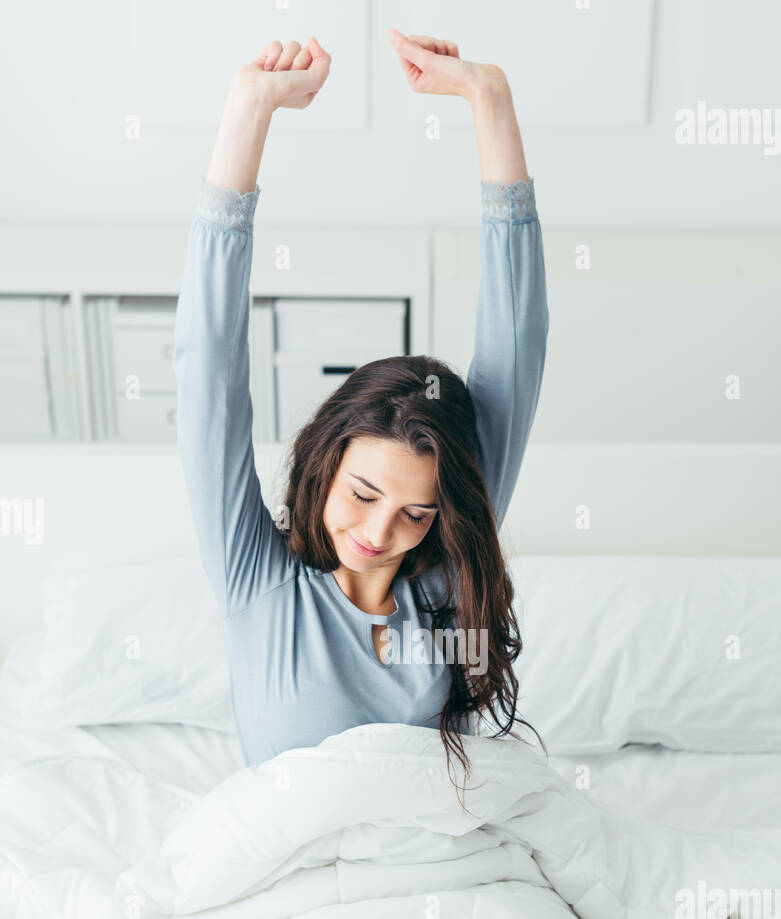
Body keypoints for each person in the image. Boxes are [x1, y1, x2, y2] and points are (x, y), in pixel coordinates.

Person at [173, 30, 549, 791]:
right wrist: (249, 112)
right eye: (365, 495)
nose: (381, 535)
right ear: (326, 464)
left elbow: (517, 342)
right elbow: (207, 365)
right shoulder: (258, 580)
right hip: (303, 887)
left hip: (439, 875)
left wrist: (490, 100)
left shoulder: (445, 583)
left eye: (417, 514)